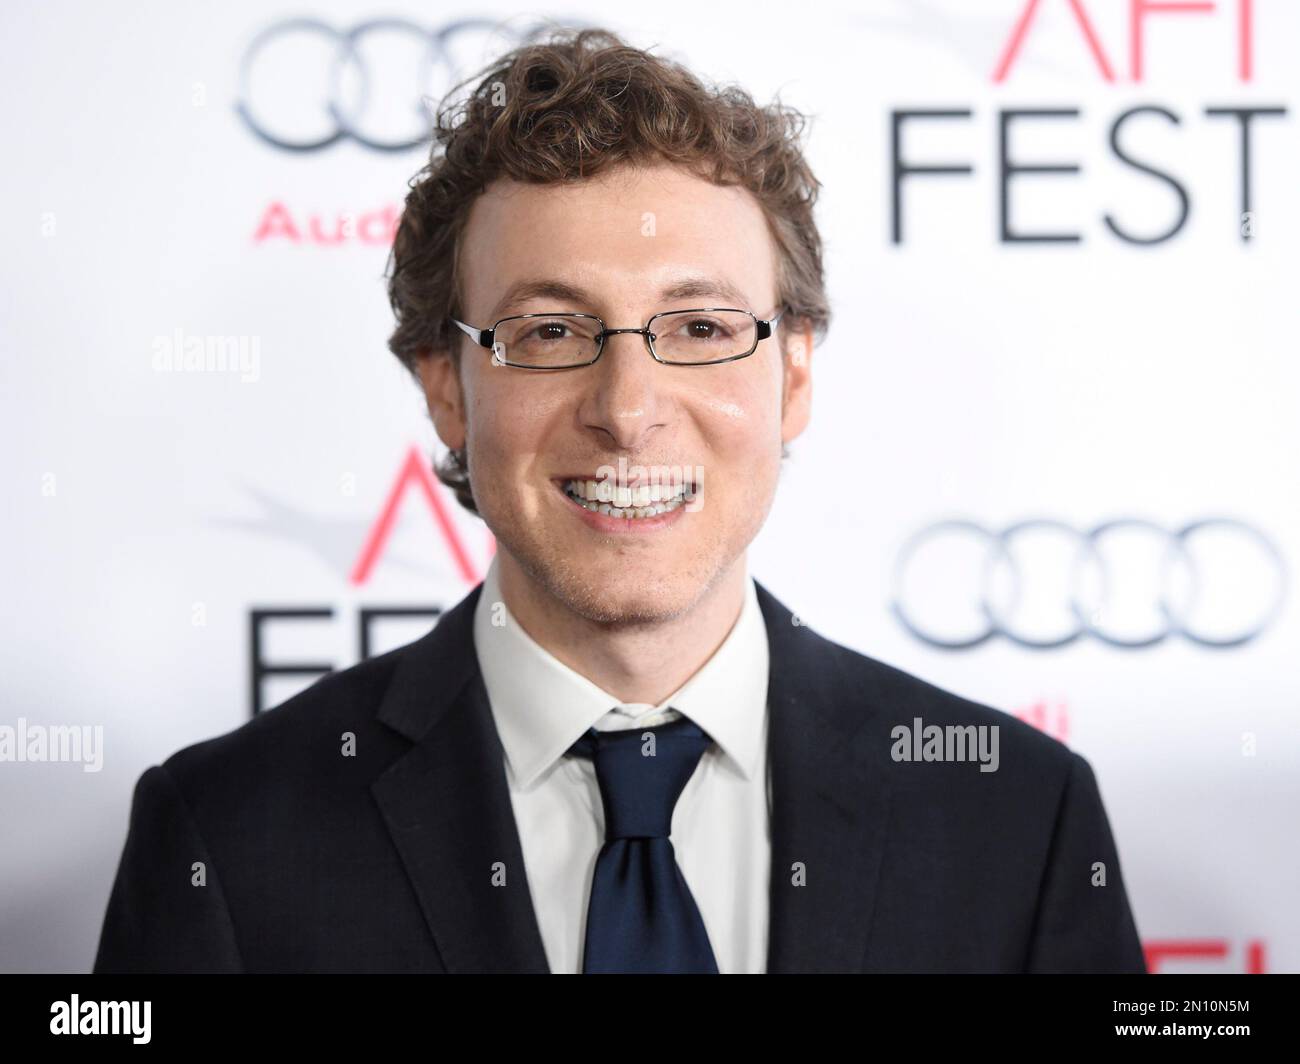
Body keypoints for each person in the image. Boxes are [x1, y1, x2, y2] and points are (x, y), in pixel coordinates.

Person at [93, 27, 1145, 974]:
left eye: (698, 328)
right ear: (446, 387)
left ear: (794, 375)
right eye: (549, 332)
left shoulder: (1014, 814)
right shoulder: (228, 834)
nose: (629, 409)